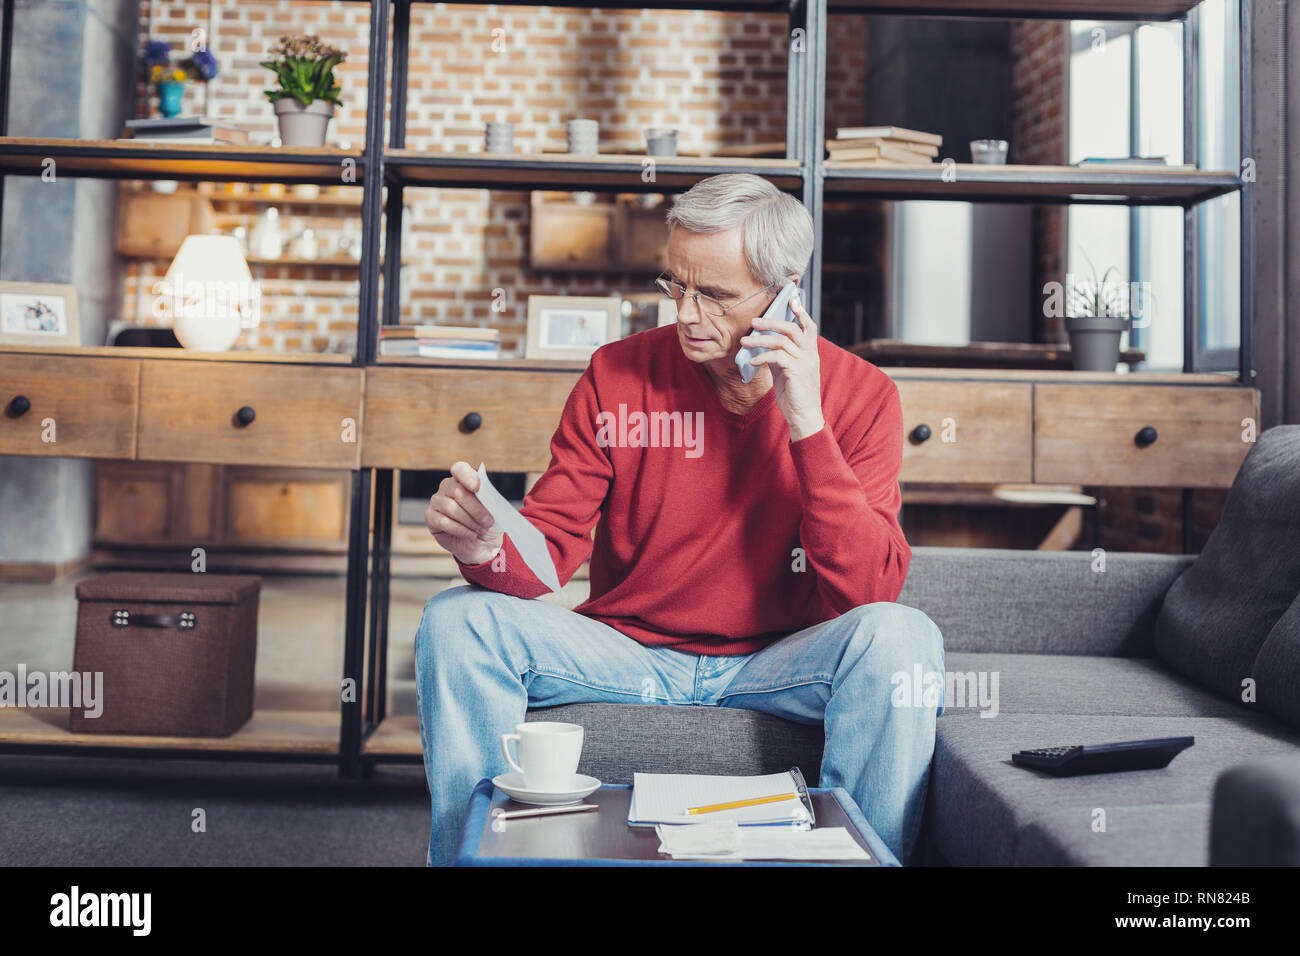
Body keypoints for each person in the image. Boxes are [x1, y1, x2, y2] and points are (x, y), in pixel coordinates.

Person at [415, 172, 945, 866]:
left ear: (787, 293)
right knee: (456, 619)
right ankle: (472, 859)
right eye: (676, 286)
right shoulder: (617, 374)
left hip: (778, 663)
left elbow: (866, 593)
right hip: (628, 654)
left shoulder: (862, 396)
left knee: (903, 638)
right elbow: (551, 551)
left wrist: (806, 422)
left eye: (715, 295)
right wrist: (489, 544)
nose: (686, 314)